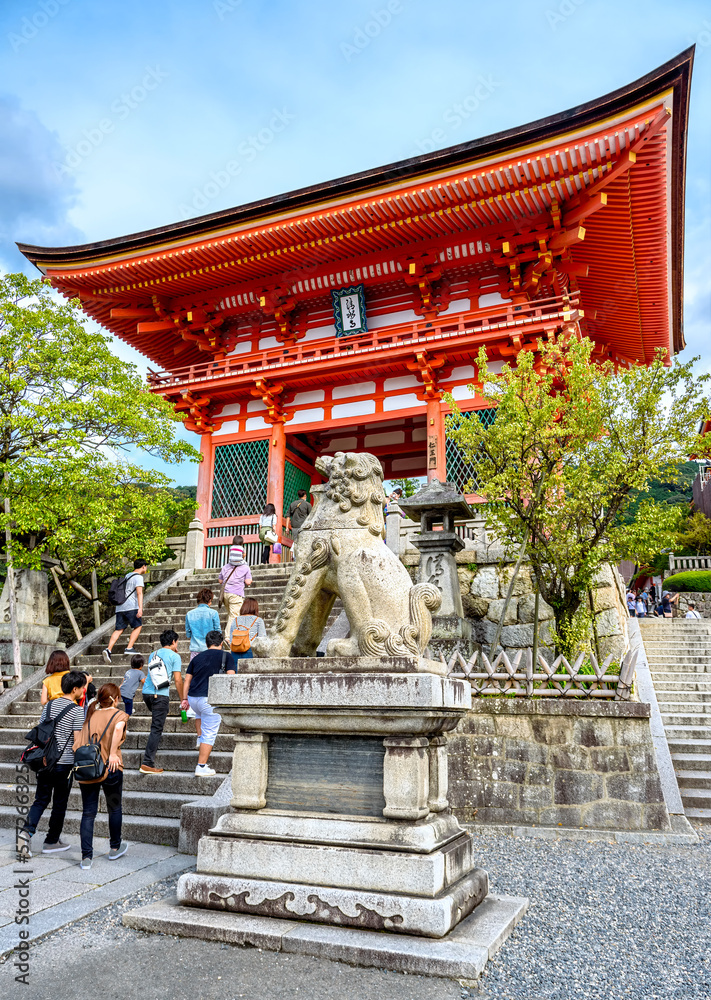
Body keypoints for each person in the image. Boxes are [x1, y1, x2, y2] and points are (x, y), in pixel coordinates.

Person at [18, 670, 88, 858]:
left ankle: (26, 833)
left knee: (41, 799)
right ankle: (51, 841)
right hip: (64, 764)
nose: (84, 690)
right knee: (59, 802)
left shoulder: (49, 705)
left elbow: (43, 732)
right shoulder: (77, 710)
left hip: (44, 761)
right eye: (82, 687)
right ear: (75, 689)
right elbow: (77, 743)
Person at [76, 683, 129, 870]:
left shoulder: (90, 715)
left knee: (88, 813)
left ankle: (86, 857)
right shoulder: (119, 714)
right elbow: (118, 729)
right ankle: (115, 847)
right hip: (111, 768)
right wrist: (112, 753)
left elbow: (78, 743)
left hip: (88, 769)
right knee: (114, 808)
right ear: (115, 699)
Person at [180, 630, 234, 777]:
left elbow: (187, 680)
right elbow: (230, 678)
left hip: (193, 698)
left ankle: (200, 738)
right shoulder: (226, 656)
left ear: (207, 643)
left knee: (199, 715)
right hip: (210, 699)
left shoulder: (197, 658)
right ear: (221, 643)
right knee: (210, 733)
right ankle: (201, 766)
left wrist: (184, 699)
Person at [139, 629, 184, 775]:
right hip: (160, 695)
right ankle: (147, 763)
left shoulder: (153, 654)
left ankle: (148, 759)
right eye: (177, 642)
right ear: (173, 642)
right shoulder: (175, 656)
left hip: (147, 693)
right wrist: (183, 698)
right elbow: (178, 680)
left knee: (157, 723)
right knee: (156, 728)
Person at [102, 559, 148, 663]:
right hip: (131, 607)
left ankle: (108, 649)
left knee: (119, 629)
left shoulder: (127, 576)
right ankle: (129, 647)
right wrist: (140, 608)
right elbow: (139, 593)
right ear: (143, 566)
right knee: (138, 626)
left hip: (120, 607)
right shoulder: (138, 577)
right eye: (146, 566)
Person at [218, 538, 253, 639]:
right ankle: (228, 638)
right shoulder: (245, 567)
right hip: (236, 594)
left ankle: (233, 635)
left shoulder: (225, 566)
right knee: (234, 616)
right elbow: (248, 582)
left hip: (225, 594)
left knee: (231, 615)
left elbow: (220, 581)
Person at [185, 588, 221, 662]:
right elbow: (218, 631)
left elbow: (188, 634)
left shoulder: (189, 614)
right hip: (210, 649)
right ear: (209, 600)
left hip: (195, 649)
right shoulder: (213, 613)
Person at [229, 596, 267, 664]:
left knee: (235, 669)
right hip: (250, 650)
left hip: (235, 649)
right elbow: (262, 639)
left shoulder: (235, 620)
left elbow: (231, 638)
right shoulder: (258, 620)